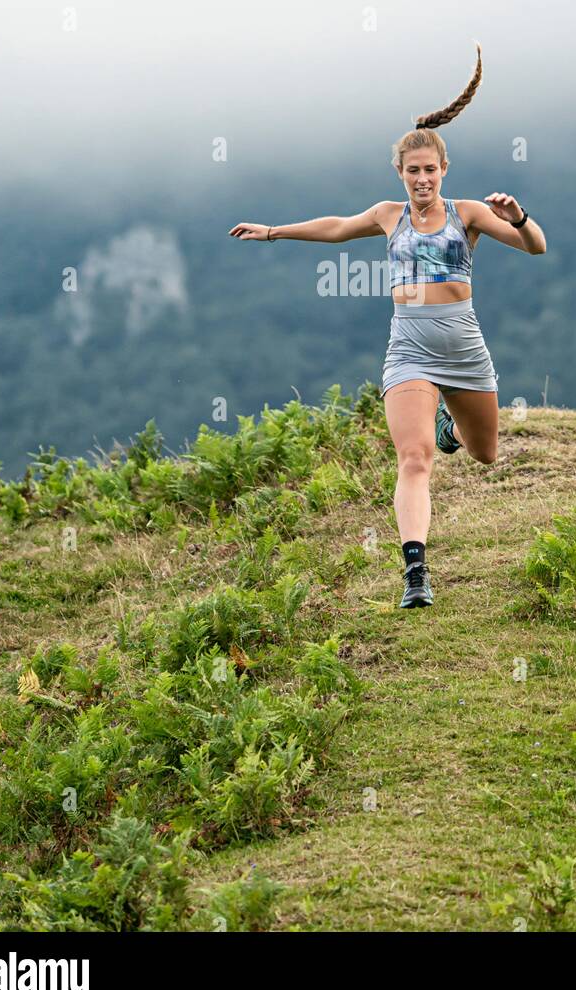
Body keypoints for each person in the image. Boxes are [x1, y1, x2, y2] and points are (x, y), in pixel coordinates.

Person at [229, 43, 547, 609]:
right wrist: (274, 231)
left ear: (443, 170)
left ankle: (453, 427)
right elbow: (335, 228)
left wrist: (518, 217)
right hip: (410, 350)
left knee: (486, 454)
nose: (421, 179)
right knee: (413, 458)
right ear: (399, 173)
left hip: (465, 347)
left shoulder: (468, 213)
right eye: (412, 171)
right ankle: (416, 573)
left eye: (430, 170)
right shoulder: (388, 215)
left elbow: (536, 248)